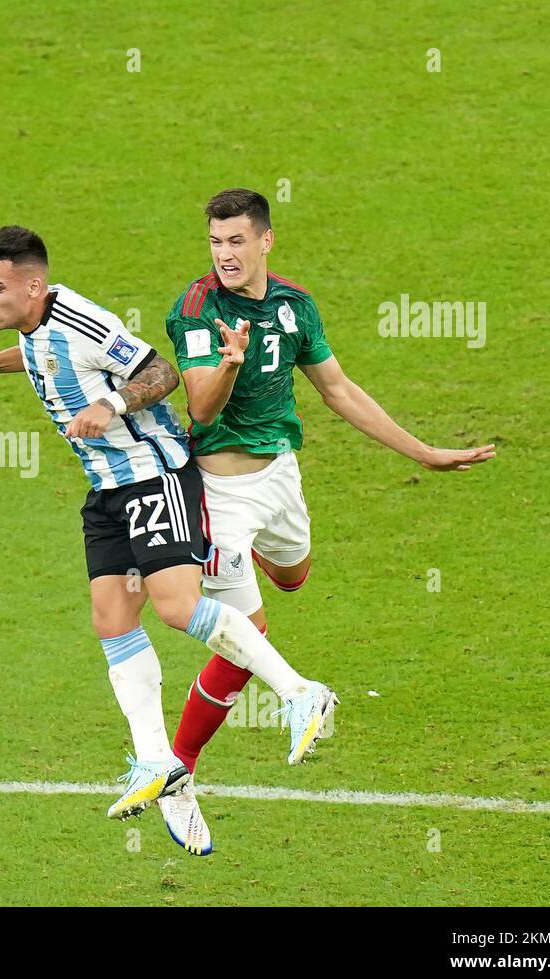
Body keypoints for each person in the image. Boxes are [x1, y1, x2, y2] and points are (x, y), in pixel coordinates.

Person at [0, 225, 334, 855]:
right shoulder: (35, 326)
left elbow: (159, 372)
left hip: (153, 477)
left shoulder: (77, 317)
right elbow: (44, 355)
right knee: (112, 619)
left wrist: (114, 406)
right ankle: (159, 766)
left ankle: (301, 693)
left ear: (32, 285)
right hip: (107, 491)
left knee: (177, 609)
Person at [166, 188, 495, 774]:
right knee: (243, 637)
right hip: (220, 495)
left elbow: (337, 390)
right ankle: (178, 764)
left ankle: (241, 566)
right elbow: (201, 411)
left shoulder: (296, 305)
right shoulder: (198, 309)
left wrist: (422, 453)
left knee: (293, 577)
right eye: (216, 242)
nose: (225, 255)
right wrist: (230, 362)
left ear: (266, 240)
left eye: (237, 241)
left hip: (280, 477)